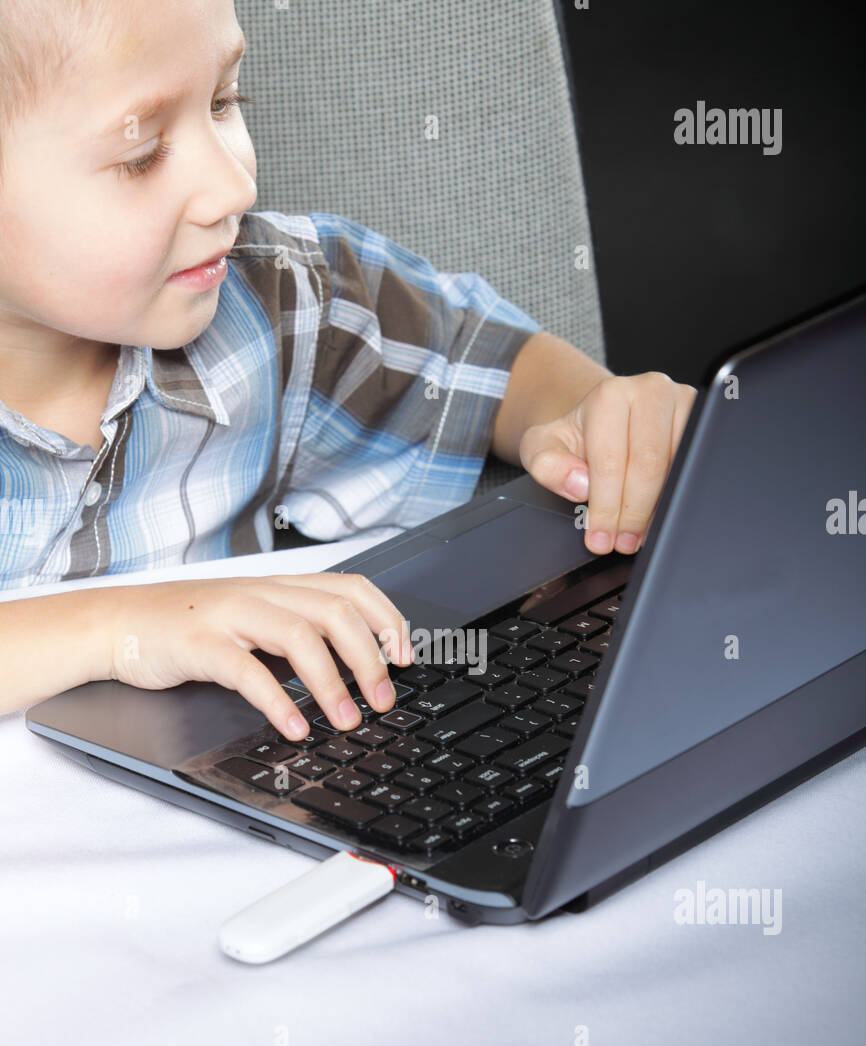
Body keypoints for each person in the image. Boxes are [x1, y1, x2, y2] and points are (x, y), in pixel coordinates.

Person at [0, 0, 696, 742]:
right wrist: (122, 627)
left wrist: (598, 416)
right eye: (141, 155)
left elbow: (486, 361)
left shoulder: (278, 302)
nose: (234, 187)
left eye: (225, 101)